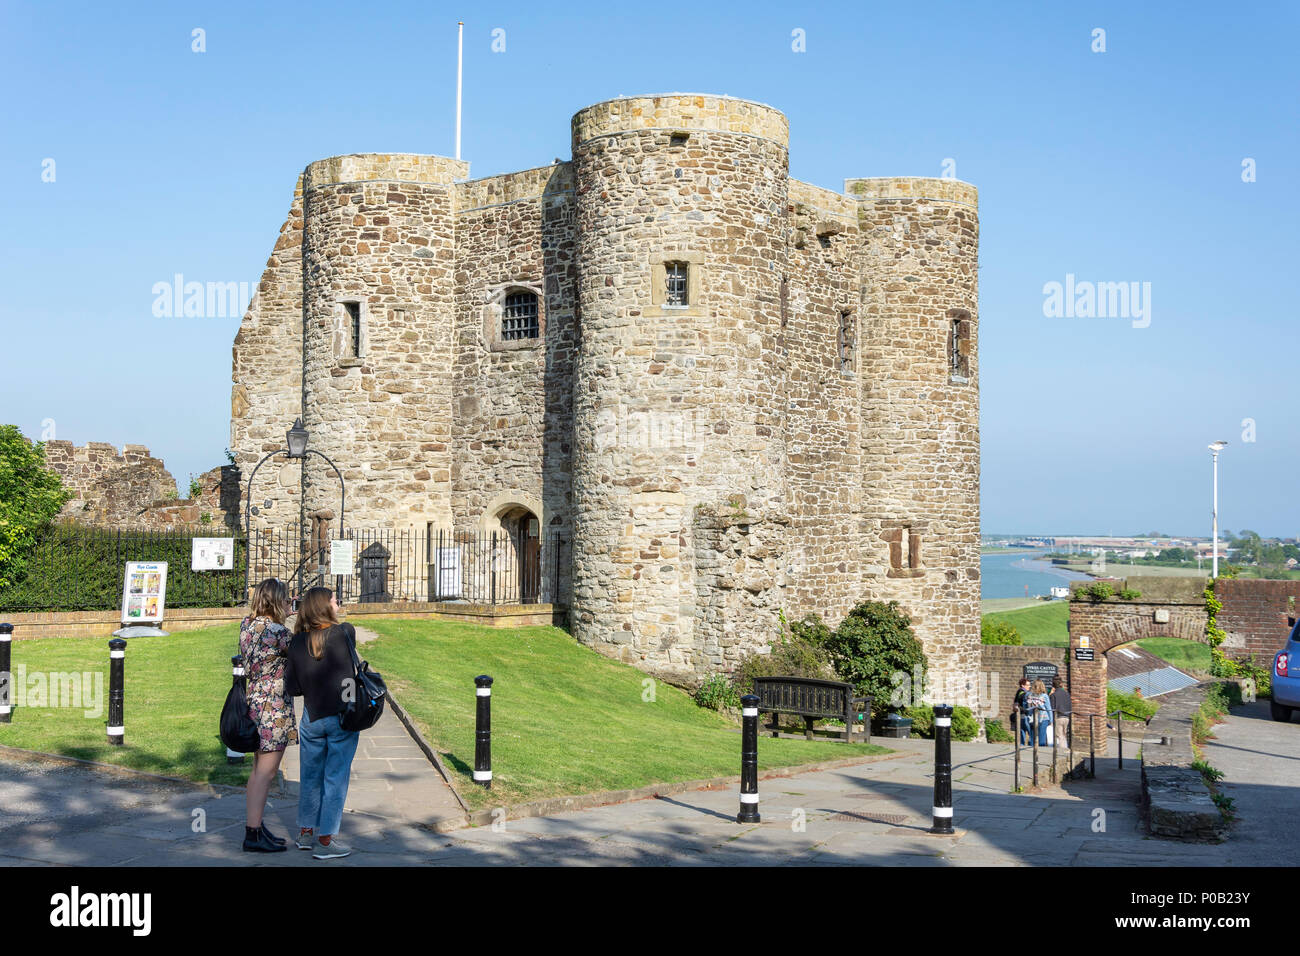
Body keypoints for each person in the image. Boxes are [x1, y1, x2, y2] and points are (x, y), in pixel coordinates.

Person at [283, 587, 360, 860]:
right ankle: (326, 840)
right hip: (341, 716)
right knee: (335, 778)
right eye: (333, 600)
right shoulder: (344, 632)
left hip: (312, 717)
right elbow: (351, 673)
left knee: (311, 777)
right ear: (323, 606)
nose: (337, 602)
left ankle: (306, 833)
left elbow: (293, 688)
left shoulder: (295, 643)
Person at [240, 578, 297, 853]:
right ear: (277, 601)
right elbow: (301, 653)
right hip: (273, 708)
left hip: (254, 701)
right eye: (286, 600)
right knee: (267, 771)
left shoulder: (247, 626)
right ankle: (252, 833)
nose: (289, 604)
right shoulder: (278, 632)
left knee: (257, 770)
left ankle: (257, 826)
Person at [1026, 679, 1053, 746]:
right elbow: (1048, 708)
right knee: (1042, 737)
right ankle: (1040, 752)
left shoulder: (1029, 695)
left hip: (1032, 718)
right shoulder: (1044, 696)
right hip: (1043, 718)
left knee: (1032, 736)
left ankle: (1031, 751)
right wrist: (1051, 720)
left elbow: (1028, 707)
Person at [1050, 676, 1072, 746]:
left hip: (1058, 717)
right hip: (1067, 717)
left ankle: (1062, 753)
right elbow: (1070, 706)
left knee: (1059, 737)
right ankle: (1065, 751)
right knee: (1064, 736)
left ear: (1053, 686)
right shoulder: (1067, 694)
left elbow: (1052, 708)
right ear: (1061, 684)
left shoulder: (1053, 695)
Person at [1013, 678, 1031, 744]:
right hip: (1024, 715)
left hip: (1020, 715)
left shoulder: (1019, 692)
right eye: (1027, 685)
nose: (1029, 686)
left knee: (1022, 733)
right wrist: (1026, 710)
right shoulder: (1023, 693)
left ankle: (1021, 747)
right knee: (1031, 733)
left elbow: (1016, 703)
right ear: (1022, 685)